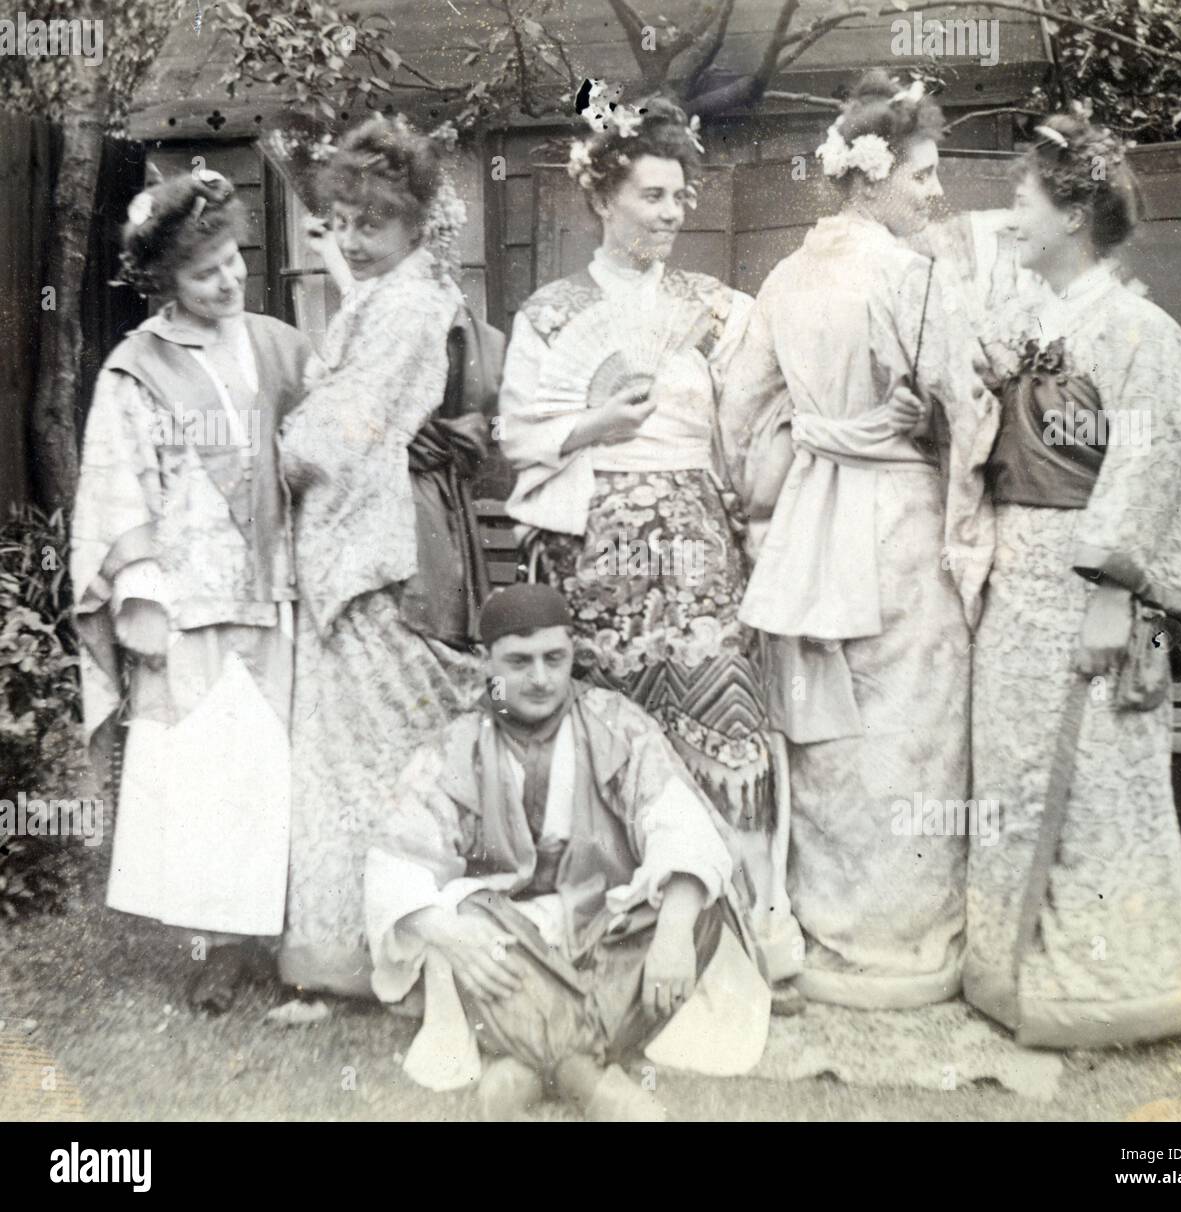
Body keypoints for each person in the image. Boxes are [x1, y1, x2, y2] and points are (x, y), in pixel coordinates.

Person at [496, 92, 802, 997]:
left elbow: (751, 432)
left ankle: (745, 925)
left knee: (727, 721)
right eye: (651, 196)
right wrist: (593, 421)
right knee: (607, 737)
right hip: (596, 545)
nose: (670, 215)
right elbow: (518, 434)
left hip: (697, 544)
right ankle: (612, 933)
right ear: (602, 197)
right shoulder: (550, 315)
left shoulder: (715, 310)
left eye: (678, 197)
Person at [718, 72, 996, 1009]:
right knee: (909, 732)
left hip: (811, 525)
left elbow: (740, 417)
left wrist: (773, 500)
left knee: (831, 736)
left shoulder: (784, 278)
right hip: (898, 524)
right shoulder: (917, 278)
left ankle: (829, 935)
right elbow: (971, 418)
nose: (936, 194)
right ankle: (907, 948)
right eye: (922, 177)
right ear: (871, 180)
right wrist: (965, 526)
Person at [962, 113, 1181, 1047]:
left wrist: (1119, 590)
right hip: (1015, 574)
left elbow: (1152, 465)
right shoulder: (1025, 323)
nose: (1009, 216)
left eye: (1022, 200)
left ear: (1073, 215)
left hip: (1089, 581)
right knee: (1015, 770)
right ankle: (1012, 974)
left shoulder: (1138, 331)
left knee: (1098, 770)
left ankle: (1107, 984)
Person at [365, 585, 770, 1121]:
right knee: (458, 918)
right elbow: (399, 858)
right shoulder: (460, 744)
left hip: (609, 930)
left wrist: (672, 935)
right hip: (518, 939)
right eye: (519, 661)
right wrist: (449, 933)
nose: (539, 678)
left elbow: (680, 823)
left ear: (571, 656)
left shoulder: (613, 722)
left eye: (554, 659)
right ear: (487, 662)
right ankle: (587, 1078)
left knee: (691, 901)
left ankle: (531, 1063)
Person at [71, 168, 315, 1011]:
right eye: (203, 272)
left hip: (275, 587)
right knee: (206, 766)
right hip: (186, 592)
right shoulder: (135, 369)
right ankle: (215, 943)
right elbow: (115, 481)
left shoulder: (281, 346)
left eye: (232, 260)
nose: (228, 280)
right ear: (162, 282)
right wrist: (138, 589)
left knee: (272, 761)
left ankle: (280, 935)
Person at [277, 115, 484, 996]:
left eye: (375, 224)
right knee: (354, 747)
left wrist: (270, 453)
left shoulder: (409, 303)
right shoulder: (383, 291)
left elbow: (347, 426)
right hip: (370, 523)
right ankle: (354, 948)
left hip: (382, 543)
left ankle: (382, 951)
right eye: (343, 222)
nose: (355, 241)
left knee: (384, 744)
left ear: (413, 222)